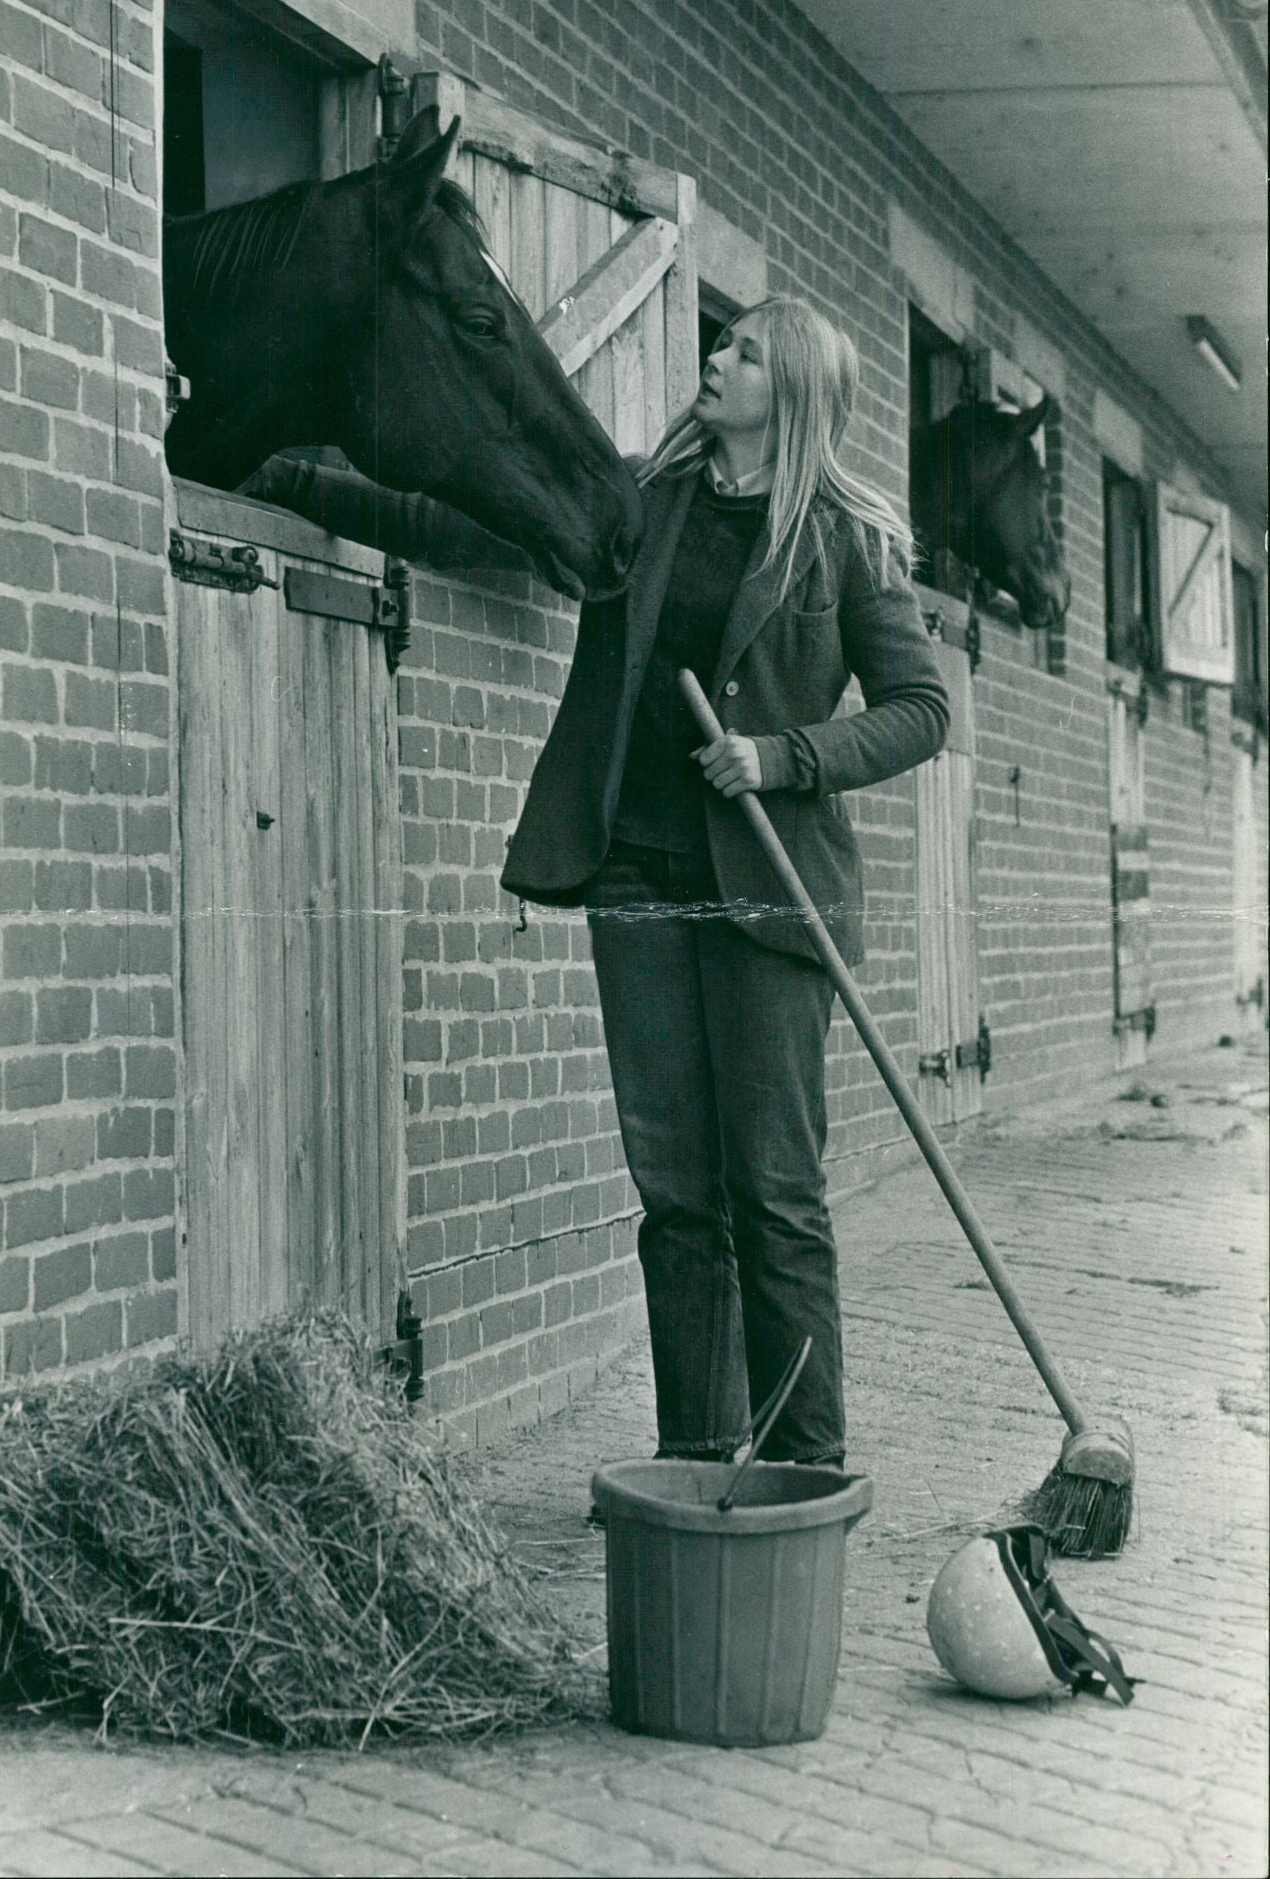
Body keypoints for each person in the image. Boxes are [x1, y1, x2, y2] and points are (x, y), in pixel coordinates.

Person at [241, 295, 949, 1470]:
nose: (714, 359)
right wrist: (297, 480)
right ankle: (692, 1460)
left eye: (744, 352)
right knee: (676, 1195)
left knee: (773, 1194)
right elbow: (468, 524)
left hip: (768, 896)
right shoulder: (640, 501)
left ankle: (801, 1471)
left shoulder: (843, 540)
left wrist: (784, 757)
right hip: (639, 876)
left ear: (798, 395)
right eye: (719, 343)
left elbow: (919, 709)